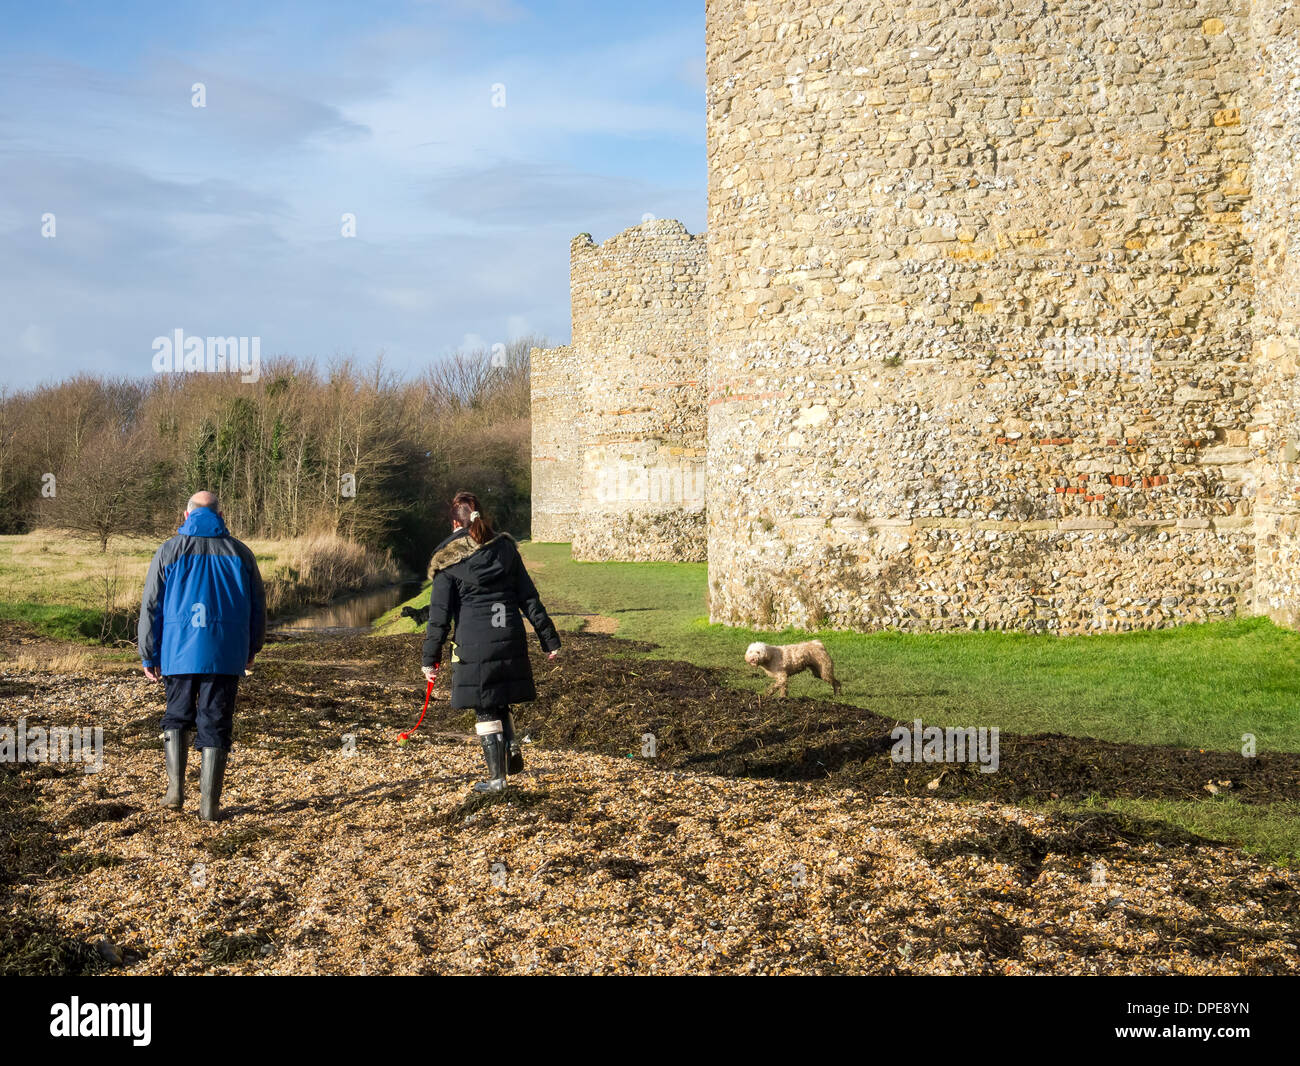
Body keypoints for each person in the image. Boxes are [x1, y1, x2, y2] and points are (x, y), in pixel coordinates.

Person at [139, 491, 266, 821]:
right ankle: (209, 806)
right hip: (225, 654)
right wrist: (252, 649)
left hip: (178, 652)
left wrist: (148, 653)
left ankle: (175, 792)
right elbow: (257, 608)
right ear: (220, 515)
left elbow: (151, 605)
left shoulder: (169, 550)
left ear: (187, 515)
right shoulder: (241, 553)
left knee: (177, 715)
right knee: (216, 720)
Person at [422, 491, 560, 792]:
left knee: (484, 706)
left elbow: (439, 617)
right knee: (500, 696)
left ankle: (497, 780)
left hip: (474, 640)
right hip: (508, 633)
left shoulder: (447, 562)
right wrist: (549, 639)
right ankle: (510, 746)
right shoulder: (506, 550)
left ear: (455, 524)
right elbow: (528, 597)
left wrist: (429, 659)